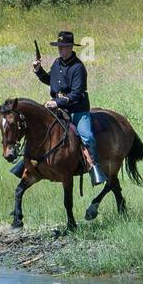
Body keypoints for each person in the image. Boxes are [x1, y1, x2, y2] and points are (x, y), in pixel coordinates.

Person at [30, 31, 104, 185]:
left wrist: (58, 102)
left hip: (77, 109)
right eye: (59, 47)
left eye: (63, 47)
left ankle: (94, 167)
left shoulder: (78, 67)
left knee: (87, 136)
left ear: (70, 47)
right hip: (58, 108)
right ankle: (27, 163)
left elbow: (77, 94)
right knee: (37, 128)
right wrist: (38, 70)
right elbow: (50, 80)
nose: (60, 50)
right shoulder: (57, 63)